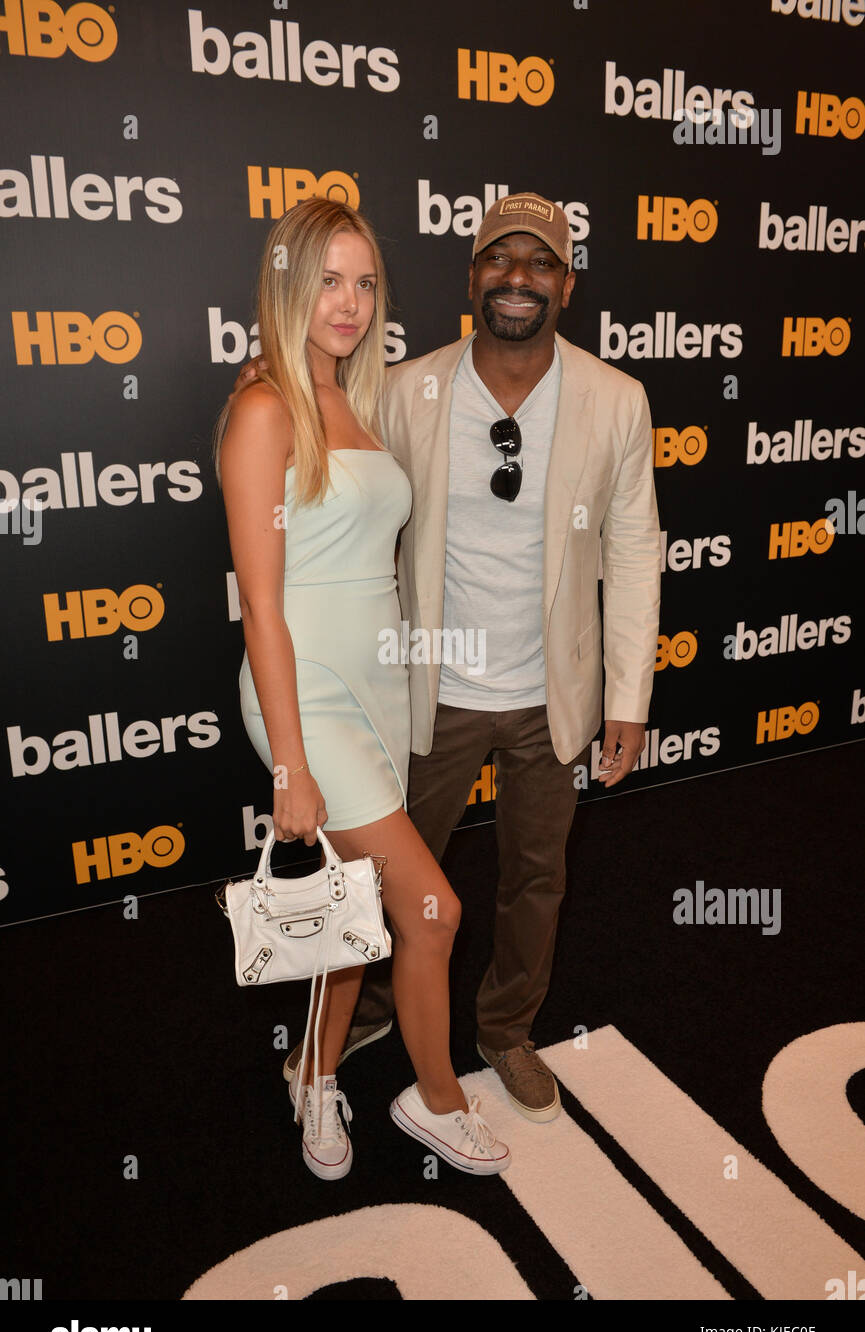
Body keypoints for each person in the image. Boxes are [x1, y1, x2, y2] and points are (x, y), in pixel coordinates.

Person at [235, 191, 661, 1127]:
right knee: (395, 882)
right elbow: (306, 425)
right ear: (469, 277)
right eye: (498, 261)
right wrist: (271, 372)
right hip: (421, 688)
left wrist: (626, 697)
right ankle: (372, 1016)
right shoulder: (402, 386)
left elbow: (633, 550)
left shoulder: (615, 400)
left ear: (567, 282)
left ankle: (505, 1028)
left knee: (535, 876)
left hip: (554, 695)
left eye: (539, 262)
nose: (517, 279)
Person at [216, 196, 509, 1181]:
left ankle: (312, 1070)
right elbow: (261, 607)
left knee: (362, 904)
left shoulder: (356, 400)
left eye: (365, 281)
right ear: (288, 285)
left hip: (379, 686)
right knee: (432, 909)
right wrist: (290, 763)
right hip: (310, 695)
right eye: (328, 279)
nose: (348, 301)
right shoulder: (264, 410)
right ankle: (437, 1099)